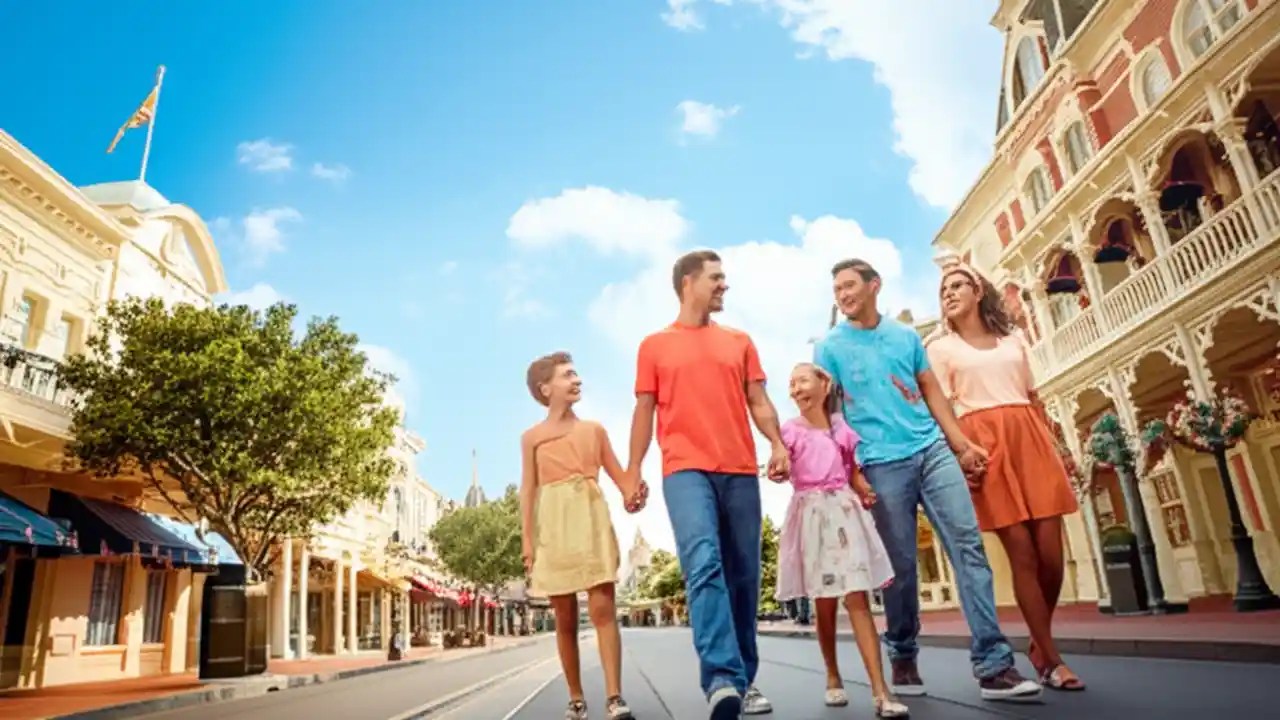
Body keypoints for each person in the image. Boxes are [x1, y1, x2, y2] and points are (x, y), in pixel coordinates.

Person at [813, 258, 1042, 703]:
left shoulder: (905, 337)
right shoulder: (829, 348)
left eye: (849, 286)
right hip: (879, 462)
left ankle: (994, 666)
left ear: (873, 286)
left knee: (969, 548)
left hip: (931, 449)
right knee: (900, 570)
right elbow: (830, 415)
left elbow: (929, 388)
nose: (842, 295)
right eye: (836, 289)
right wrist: (852, 473)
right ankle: (901, 650)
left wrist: (958, 442)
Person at [626, 249, 788, 719]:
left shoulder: (739, 341)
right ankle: (720, 676)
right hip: (684, 469)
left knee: (743, 575)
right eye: (716, 278)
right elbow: (644, 410)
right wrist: (634, 469)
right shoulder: (653, 345)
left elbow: (758, 400)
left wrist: (777, 443)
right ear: (688, 282)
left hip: (739, 469)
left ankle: (744, 679)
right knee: (703, 562)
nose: (724, 285)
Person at [926, 262, 1084, 691]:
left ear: (979, 292)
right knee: (1022, 554)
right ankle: (1051, 661)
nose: (950, 292)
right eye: (944, 289)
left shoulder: (1014, 338)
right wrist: (960, 453)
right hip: (984, 445)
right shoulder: (939, 349)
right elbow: (938, 408)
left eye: (958, 284)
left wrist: (1059, 446)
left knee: (1051, 555)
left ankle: (1038, 642)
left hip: (1030, 437)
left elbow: (1034, 395)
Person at [774, 362, 908, 717]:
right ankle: (832, 675)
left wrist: (861, 485)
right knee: (825, 601)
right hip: (812, 516)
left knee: (858, 597)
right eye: (790, 384)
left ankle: (881, 692)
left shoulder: (840, 428)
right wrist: (778, 466)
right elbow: (781, 460)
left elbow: (850, 468)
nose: (795, 388)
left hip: (845, 515)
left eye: (801, 380)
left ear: (823, 384)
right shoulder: (790, 430)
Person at [521, 351, 649, 720]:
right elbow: (527, 490)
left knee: (603, 608)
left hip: (590, 519)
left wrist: (635, 492)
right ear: (546, 389)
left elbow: (622, 482)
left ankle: (614, 696)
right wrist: (527, 540)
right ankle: (576, 697)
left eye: (576, 374)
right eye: (567, 375)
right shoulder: (531, 438)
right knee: (564, 617)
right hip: (553, 526)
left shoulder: (594, 430)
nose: (576, 380)